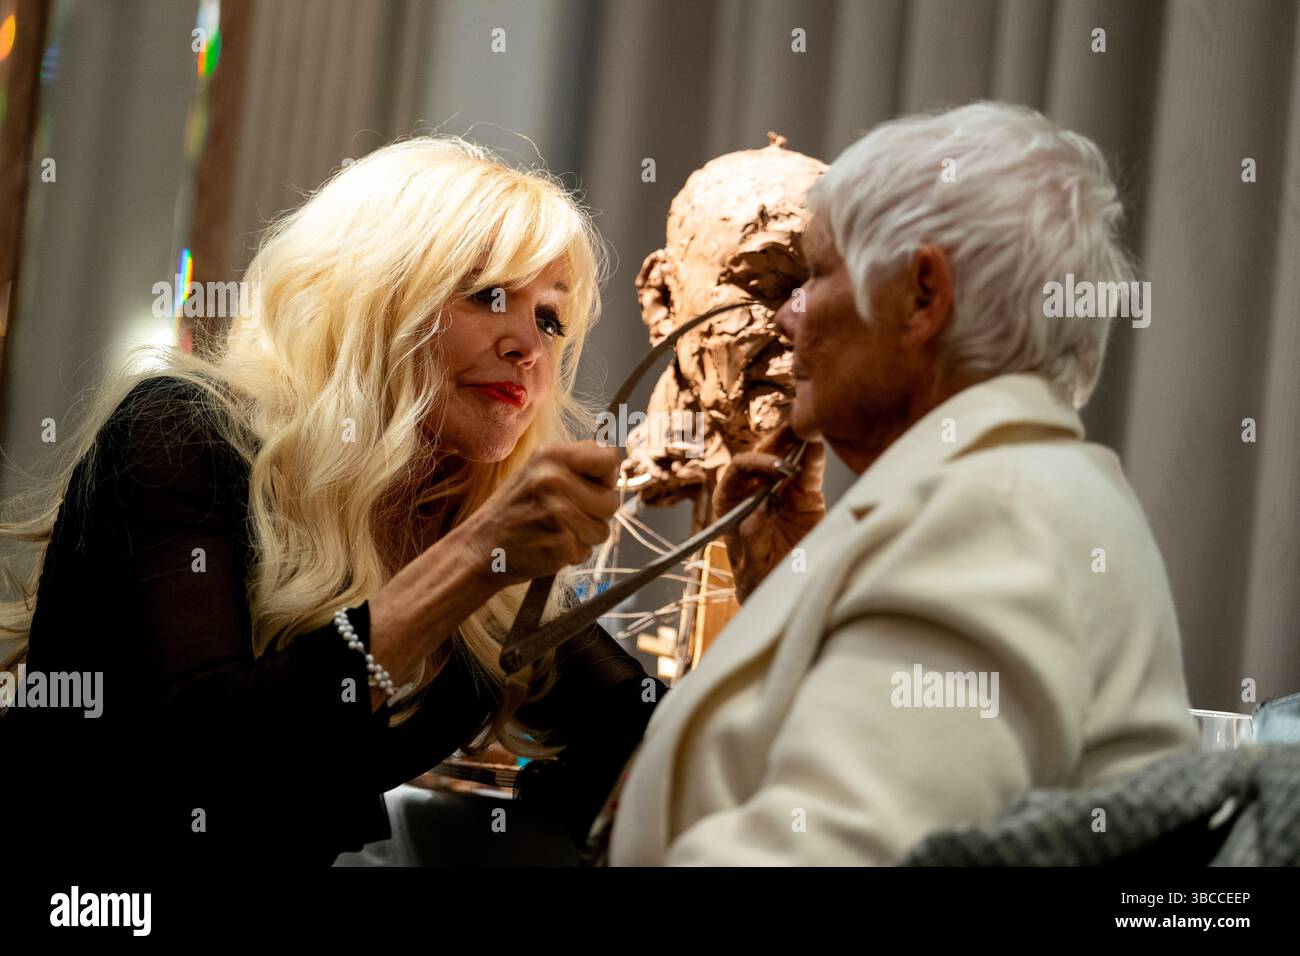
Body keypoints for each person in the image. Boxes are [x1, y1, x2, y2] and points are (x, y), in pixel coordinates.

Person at [0, 136, 662, 865]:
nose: (528, 347)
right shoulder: (182, 431)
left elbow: (637, 734)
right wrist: (469, 562)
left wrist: (778, 548)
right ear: (372, 295)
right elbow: (209, 760)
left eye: (550, 320)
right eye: (487, 296)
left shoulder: (454, 514)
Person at [608, 102, 1200, 866]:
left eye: (814, 275)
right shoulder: (1003, 495)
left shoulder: (991, 526)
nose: (788, 319)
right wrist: (789, 586)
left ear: (923, 296)